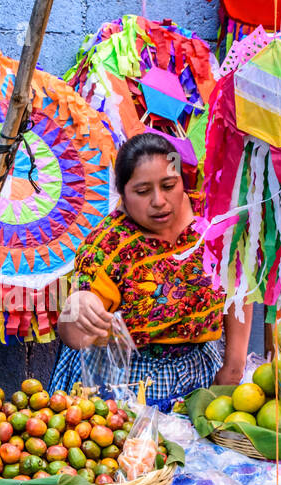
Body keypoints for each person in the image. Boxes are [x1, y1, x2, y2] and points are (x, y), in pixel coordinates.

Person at [51, 132, 247, 409]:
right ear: (122, 194)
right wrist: (77, 307)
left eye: (168, 185)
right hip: (124, 382)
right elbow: (75, 337)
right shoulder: (109, 246)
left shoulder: (214, 222)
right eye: (143, 191)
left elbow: (241, 286)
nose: (159, 200)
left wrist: (234, 367)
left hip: (202, 372)